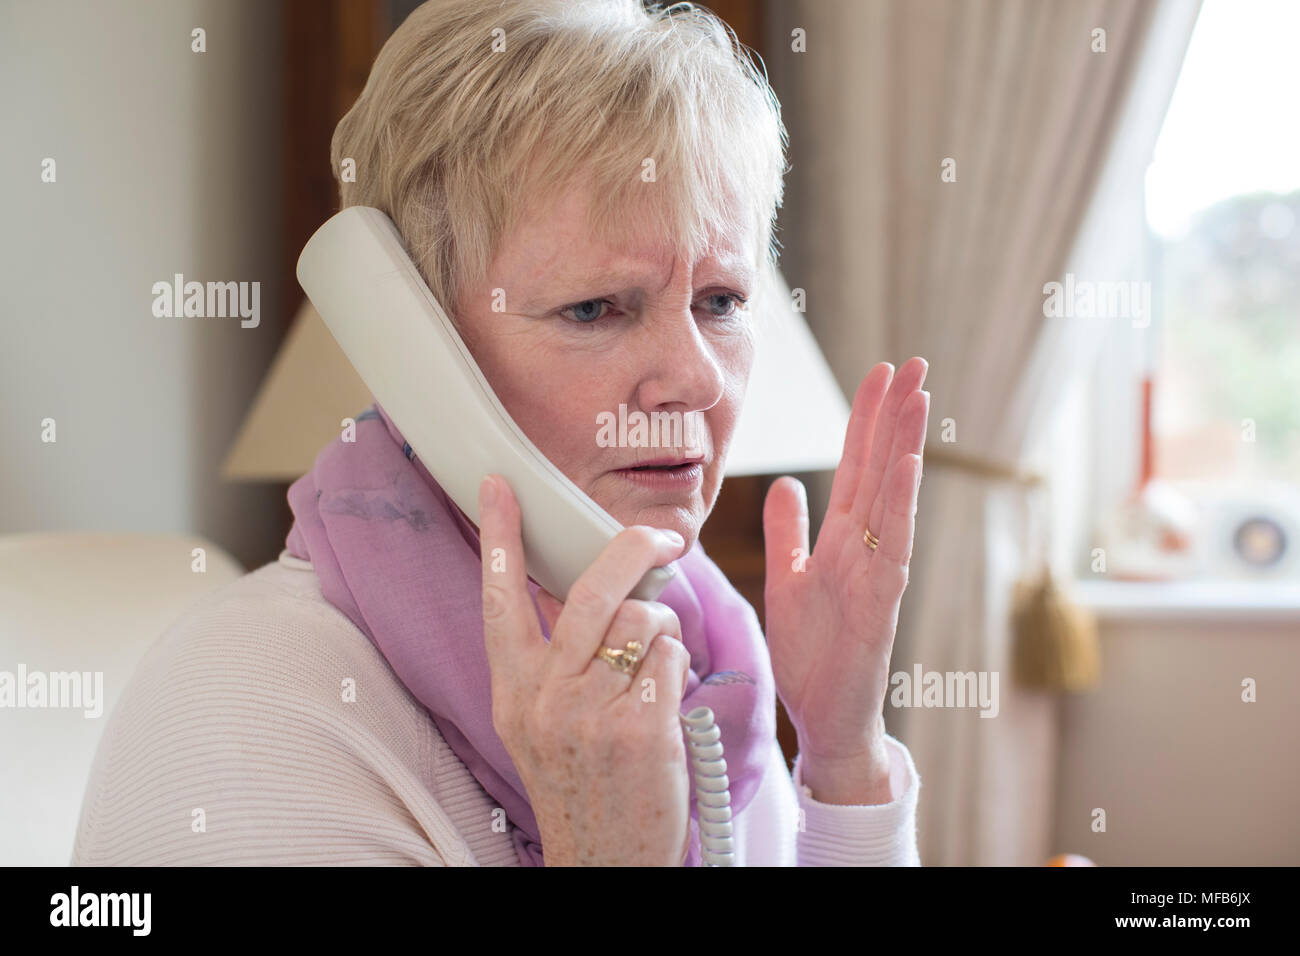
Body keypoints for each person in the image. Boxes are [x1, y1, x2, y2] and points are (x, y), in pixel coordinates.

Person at [72, 0, 929, 866]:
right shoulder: (249, 707)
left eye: (722, 303)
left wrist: (842, 754)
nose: (700, 378)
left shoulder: (703, 656)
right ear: (416, 348)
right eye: (595, 308)